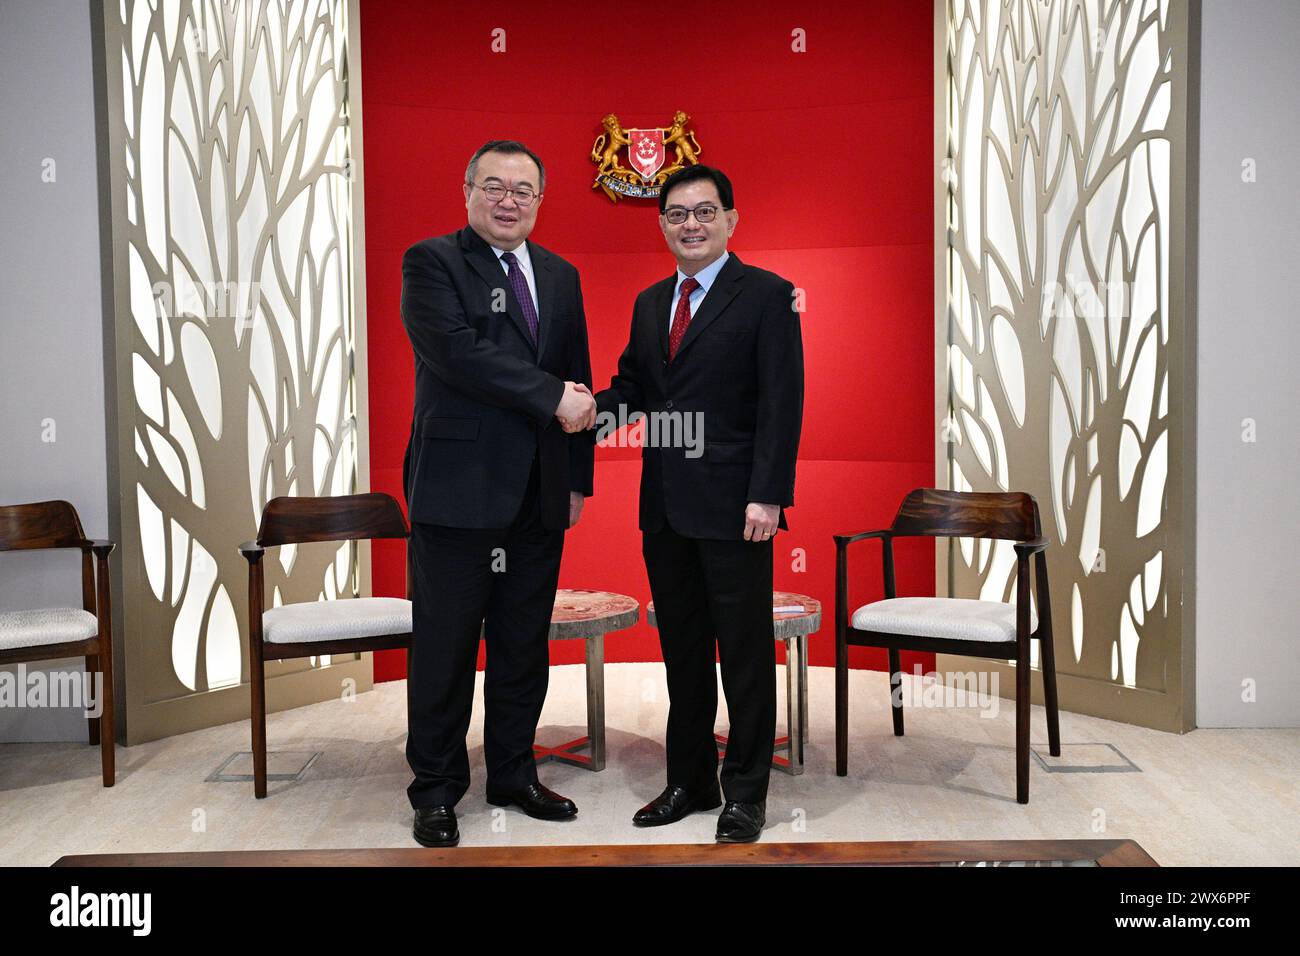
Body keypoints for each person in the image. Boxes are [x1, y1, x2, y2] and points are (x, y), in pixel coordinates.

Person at [593, 165, 804, 842]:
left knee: (744, 655)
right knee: (683, 652)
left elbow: (781, 401)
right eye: (678, 214)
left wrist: (768, 495)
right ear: (662, 226)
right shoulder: (652, 302)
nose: (691, 224)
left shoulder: (768, 296)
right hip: (666, 508)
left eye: (705, 212)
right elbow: (634, 387)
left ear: (732, 220)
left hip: (739, 508)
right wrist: (578, 413)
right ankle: (688, 781)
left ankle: (746, 792)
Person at [400, 140, 597, 848]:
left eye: (523, 189)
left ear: (540, 200)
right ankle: (437, 789)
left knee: (522, 648)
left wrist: (577, 478)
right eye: (494, 186)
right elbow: (457, 354)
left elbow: (578, 374)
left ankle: (513, 772)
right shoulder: (432, 262)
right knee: (446, 650)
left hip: (537, 496)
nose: (509, 199)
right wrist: (550, 398)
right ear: (467, 191)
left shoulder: (560, 274)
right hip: (457, 494)